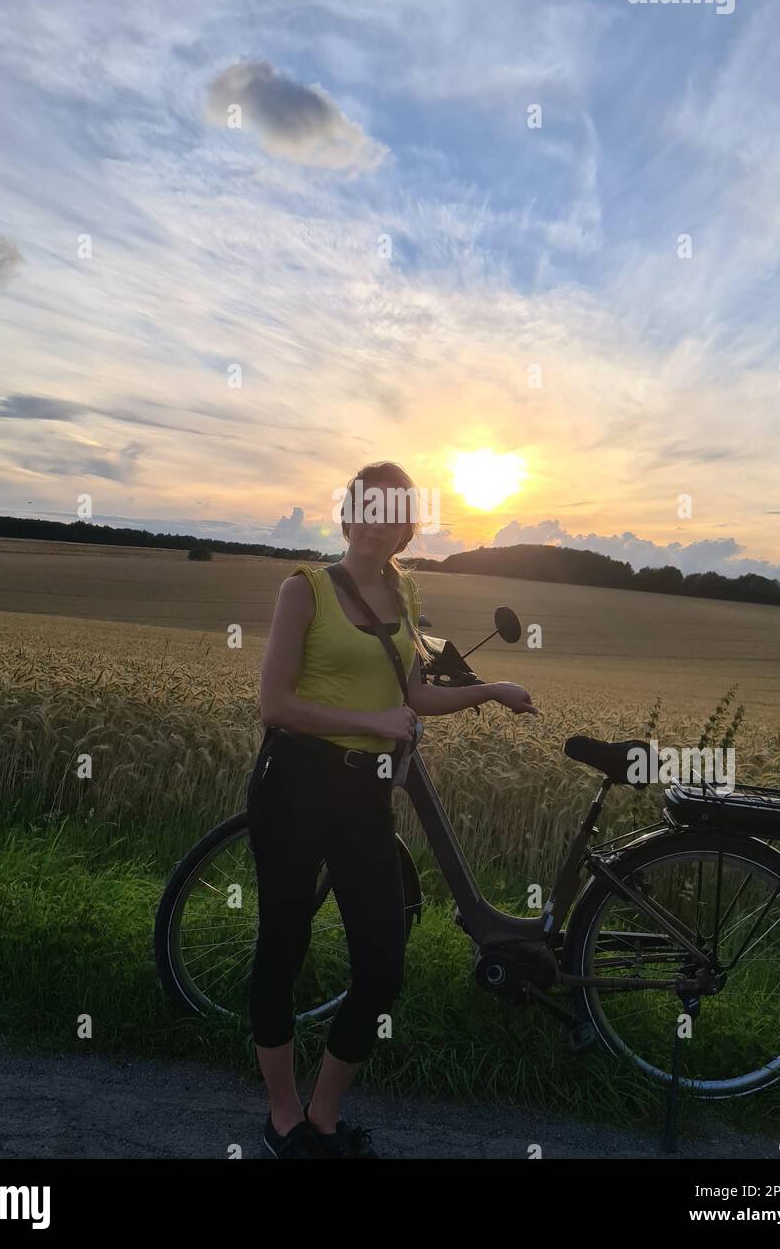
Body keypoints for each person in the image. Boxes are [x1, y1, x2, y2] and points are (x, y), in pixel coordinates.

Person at [248, 460, 537, 1158]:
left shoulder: (403, 597)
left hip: (363, 796)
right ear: (348, 516)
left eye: (397, 510)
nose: (383, 521)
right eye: (371, 508)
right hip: (293, 784)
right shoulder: (305, 590)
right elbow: (274, 705)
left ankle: (323, 1113)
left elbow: (413, 697)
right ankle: (284, 1118)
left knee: (382, 966)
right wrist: (375, 724)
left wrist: (490, 689)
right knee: (282, 947)